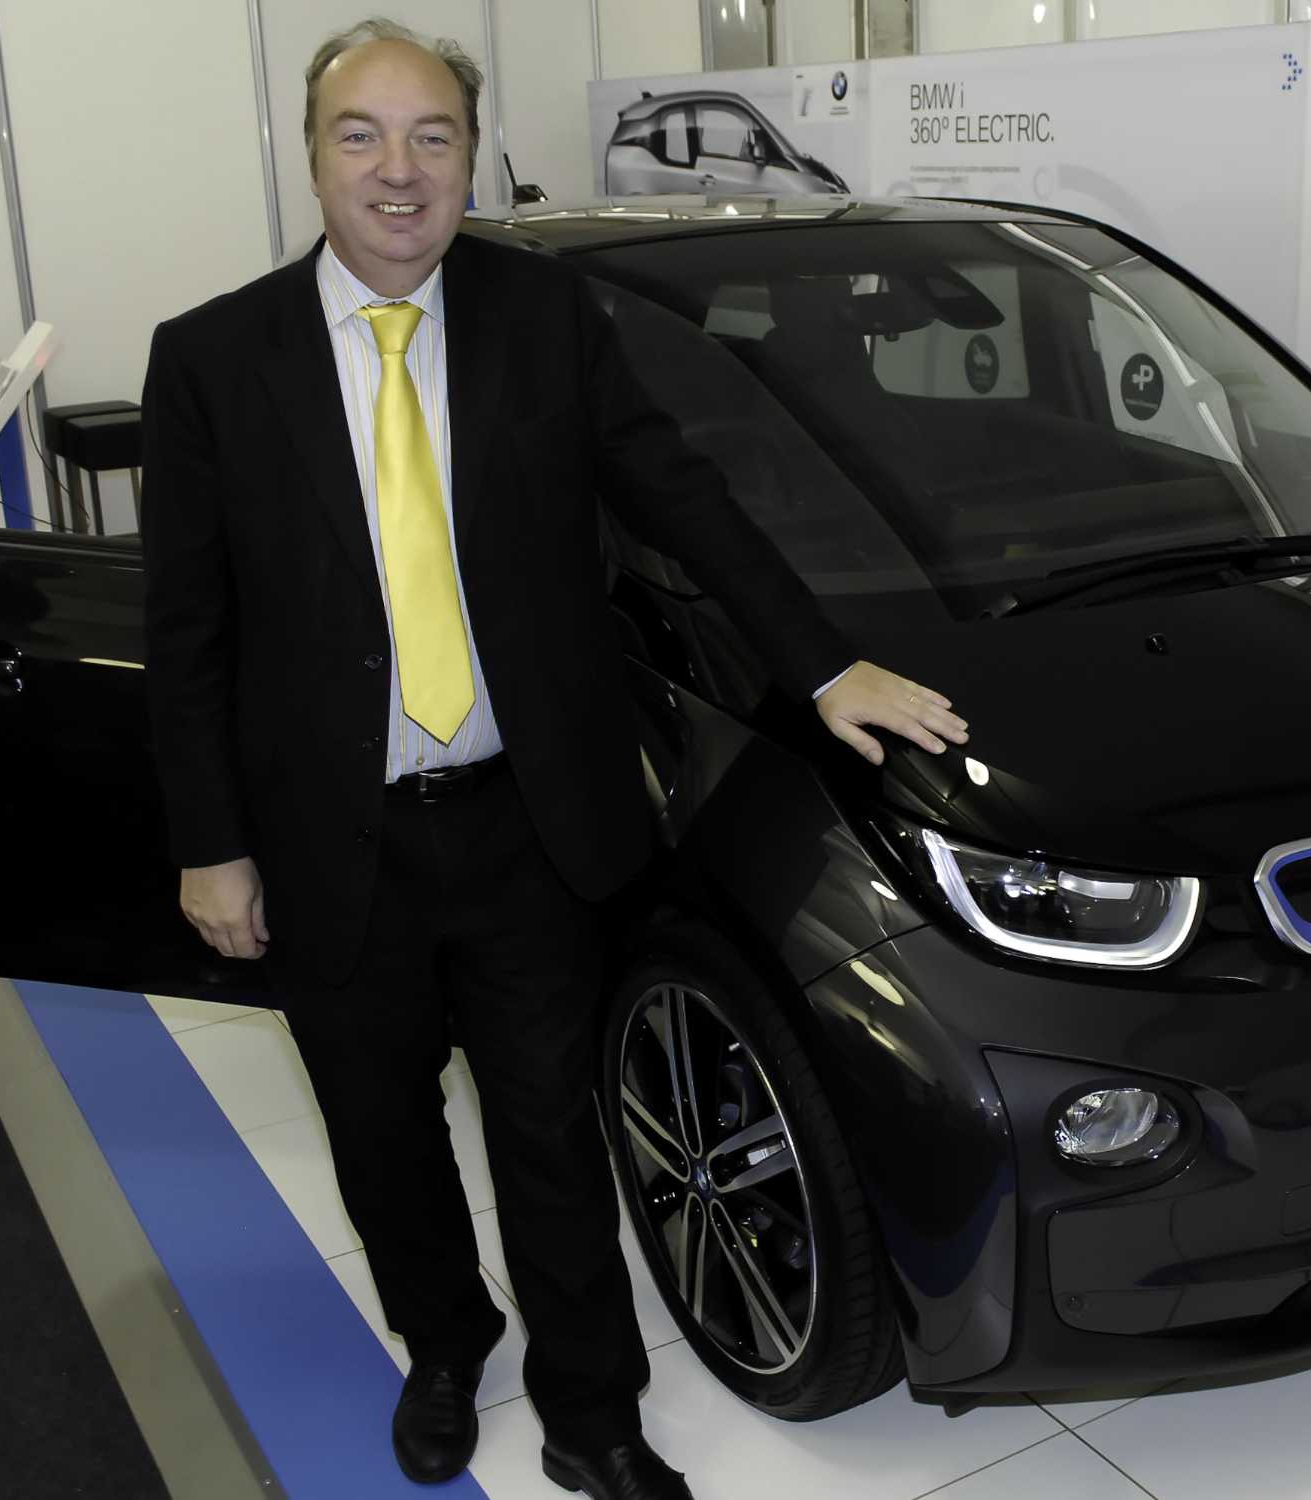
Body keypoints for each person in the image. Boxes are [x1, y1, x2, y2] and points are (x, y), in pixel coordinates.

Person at [139, 20, 967, 1497]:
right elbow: (187, 627)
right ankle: (446, 1345)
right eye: (362, 135)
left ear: (470, 153)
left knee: (549, 1135)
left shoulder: (546, 320)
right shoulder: (212, 361)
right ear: (311, 150)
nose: (399, 172)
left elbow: (686, 496)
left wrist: (823, 661)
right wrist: (211, 843)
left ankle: (594, 1416)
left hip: (530, 826)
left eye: (433, 136)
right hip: (335, 843)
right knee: (381, 1136)